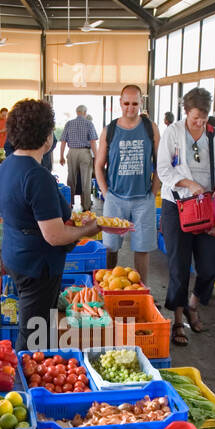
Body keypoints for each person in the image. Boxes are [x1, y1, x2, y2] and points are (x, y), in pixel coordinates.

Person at [0, 100, 96, 349]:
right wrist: (91, 229)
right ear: (47, 138)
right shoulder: (36, 175)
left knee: (39, 327)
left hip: (17, 256)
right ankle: (22, 383)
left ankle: (34, 371)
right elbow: (54, 236)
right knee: (33, 337)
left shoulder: (7, 165)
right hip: (36, 266)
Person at [157, 86, 215, 346]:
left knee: (210, 265)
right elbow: (163, 169)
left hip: (207, 207)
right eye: (195, 117)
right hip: (177, 206)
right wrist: (188, 183)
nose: (199, 122)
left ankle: (193, 303)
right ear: (186, 112)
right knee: (179, 267)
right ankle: (178, 320)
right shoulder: (173, 133)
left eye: (203, 117)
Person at [95, 86, 159, 282]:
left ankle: (142, 290)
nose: (130, 108)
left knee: (142, 248)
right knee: (110, 247)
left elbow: (160, 164)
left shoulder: (150, 128)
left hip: (143, 199)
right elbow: (98, 165)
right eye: (126, 103)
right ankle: (107, 285)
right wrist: (107, 194)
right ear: (120, 103)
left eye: (135, 103)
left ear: (141, 103)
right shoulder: (110, 130)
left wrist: (153, 192)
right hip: (116, 198)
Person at [59, 104, 99, 211]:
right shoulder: (89, 123)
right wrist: (97, 157)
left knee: (71, 178)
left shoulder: (69, 123)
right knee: (86, 180)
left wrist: (61, 156)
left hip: (72, 152)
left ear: (77, 112)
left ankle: (70, 203)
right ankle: (86, 205)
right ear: (85, 113)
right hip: (85, 152)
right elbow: (93, 142)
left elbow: (63, 141)